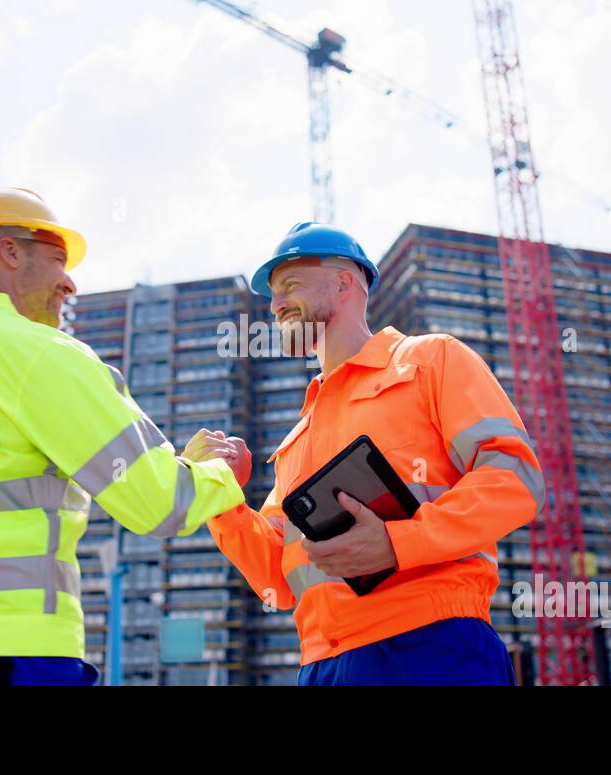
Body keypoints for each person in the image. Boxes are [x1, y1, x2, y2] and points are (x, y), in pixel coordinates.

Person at [0, 187, 247, 686]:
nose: (71, 283)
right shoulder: (41, 355)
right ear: (10, 251)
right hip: (10, 656)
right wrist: (217, 472)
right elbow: (160, 501)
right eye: (58, 259)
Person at [198, 221, 544, 685]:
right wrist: (222, 497)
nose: (275, 304)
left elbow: (515, 480)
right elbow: (279, 582)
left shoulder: (431, 361)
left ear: (344, 282)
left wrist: (399, 543)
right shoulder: (299, 436)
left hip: (430, 646)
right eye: (273, 294)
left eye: (290, 285)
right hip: (322, 664)